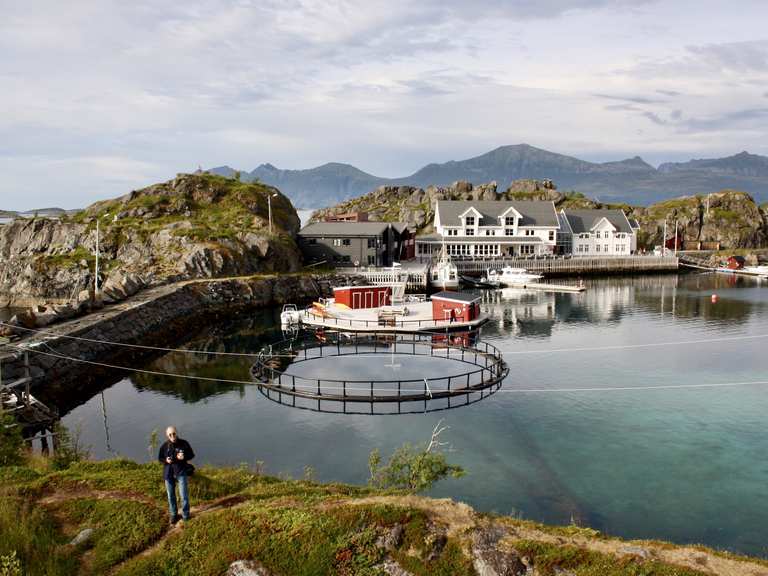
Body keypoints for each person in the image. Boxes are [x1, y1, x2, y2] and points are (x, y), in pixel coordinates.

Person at [158, 426, 195, 525]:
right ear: (167, 435)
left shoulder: (184, 443)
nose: (172, 436)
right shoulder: (164, 446)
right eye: (170, 434)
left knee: (183, 495)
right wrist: (166, 460)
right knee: (171, 496)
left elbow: (192, 455)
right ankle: (174, 514)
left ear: (176, 433)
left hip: (181, 471)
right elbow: (160, 458)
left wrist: (184, 457)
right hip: (168, 473)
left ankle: (186, 515)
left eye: (174, 433)